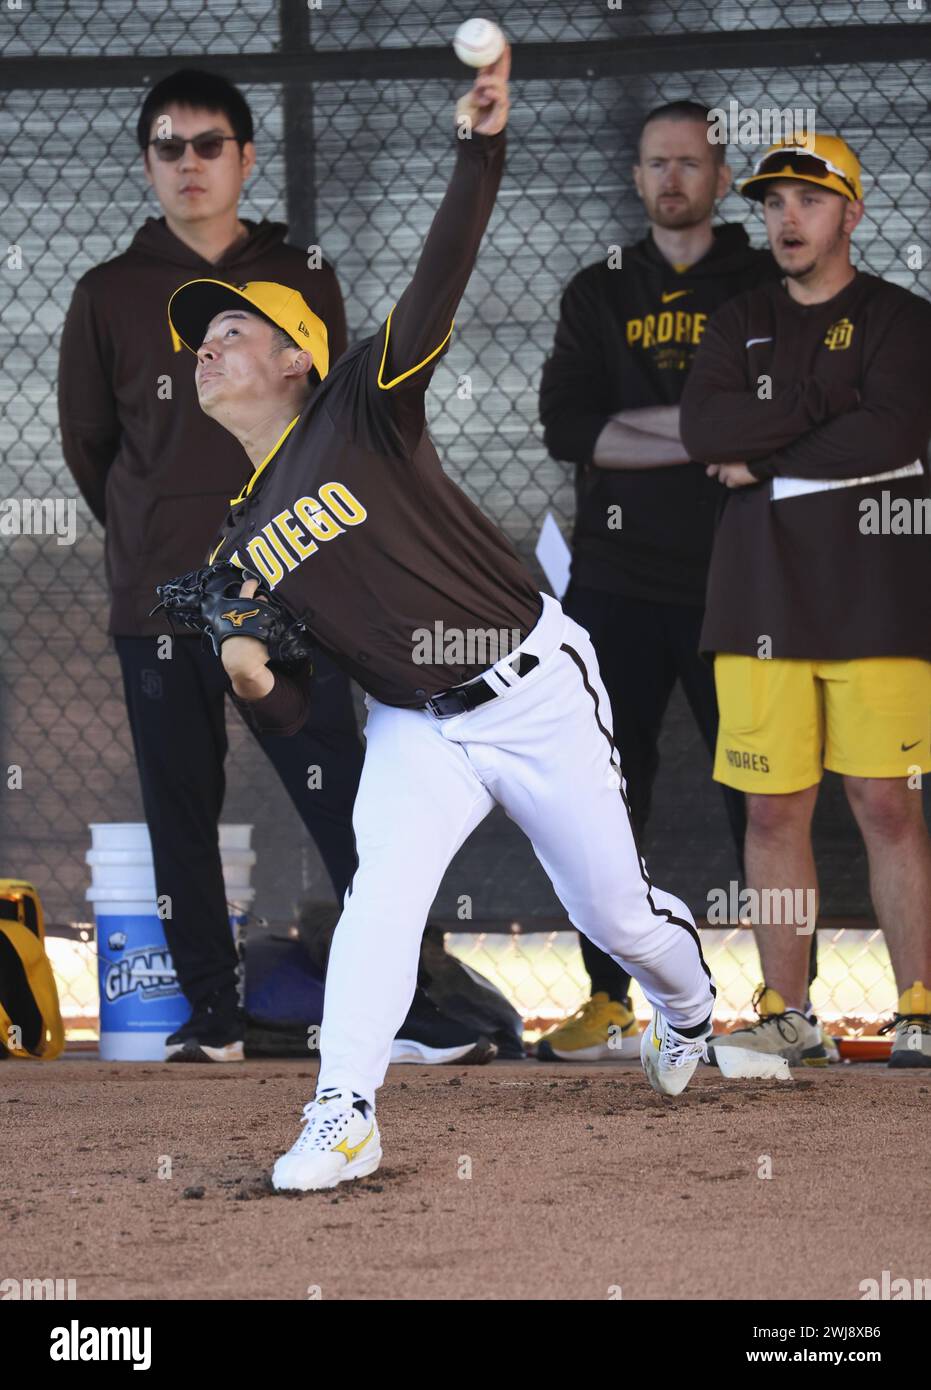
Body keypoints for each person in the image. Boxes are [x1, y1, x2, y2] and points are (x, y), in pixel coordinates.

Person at [166, 45, 717, 1191]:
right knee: (382, 896)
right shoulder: (233, 546)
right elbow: (305, 698)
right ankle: (343, 1110)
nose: (207, 345)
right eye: (200, 338)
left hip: (533, 682)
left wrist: (481, 143)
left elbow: (442, 271)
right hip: (416, 723)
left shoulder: (362, 408)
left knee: (613, 911)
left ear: (296, 359)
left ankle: (687, 998)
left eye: (231, 331)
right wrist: (255, 675)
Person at [59, 69, 362, 1062]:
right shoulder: (107, 292)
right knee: (180, 806)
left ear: (245, 157)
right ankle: (213, 1020)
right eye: (167, 146)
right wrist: (165, 526)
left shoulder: (302, 276)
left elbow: (334, 427)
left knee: (341, 791)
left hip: (287, 584)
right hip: (160, 597)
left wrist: (272, 546)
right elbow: (91, 447)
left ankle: (388, 999)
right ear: (147, 163)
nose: (188, 163)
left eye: (208, 143)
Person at [679, 133, 931, 1068]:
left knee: (885, 803)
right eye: (773, 202)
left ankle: (918, 1006)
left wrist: (766, 456)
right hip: (757, 596)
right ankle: (787, 1010)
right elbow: (703, 427)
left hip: (879, 598)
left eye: (809, 201)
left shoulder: (904, 322)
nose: (787, 218)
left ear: (851, 215)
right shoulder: (736, 316)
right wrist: (834, 413)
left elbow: (897, 426)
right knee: (773, 812)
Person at [536, 102, 776, 1061]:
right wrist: (708, 434)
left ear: (720, 177)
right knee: (603, 785)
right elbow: (570, 430)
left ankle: (776, 1000)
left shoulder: (763, 283)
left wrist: (650, 431)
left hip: (744, 576)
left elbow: (777, 420)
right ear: (635, 179)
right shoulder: (597, 289)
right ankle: (610, 999)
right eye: (654, 163)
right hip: (615, 576)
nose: (671, 178)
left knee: (759, 792)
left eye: (690, 163)